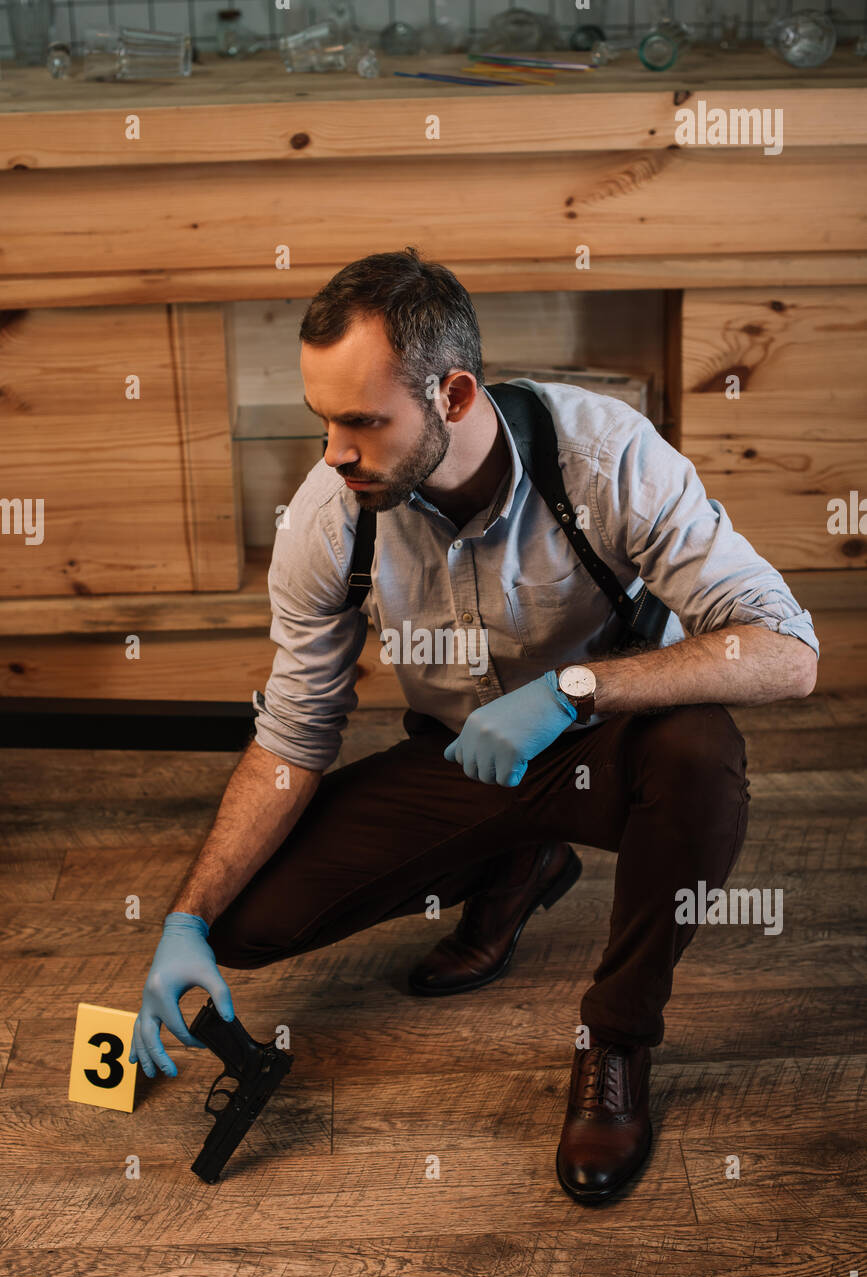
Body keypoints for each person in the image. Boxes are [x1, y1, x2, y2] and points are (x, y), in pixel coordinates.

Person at [130, 247, 818, 1202]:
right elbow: (292, 733)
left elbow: (786, 650)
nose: (334, 451)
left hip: (611, 744)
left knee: (699, 753)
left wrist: (573, 689)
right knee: (246, 924)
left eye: (363, 422)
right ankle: (521, 861)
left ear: (452, 394)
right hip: (465, 757)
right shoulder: (331, 515)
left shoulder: (605, 454)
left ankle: (616, 1038)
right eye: (322, 419)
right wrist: (185, 916)